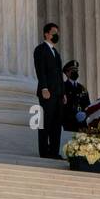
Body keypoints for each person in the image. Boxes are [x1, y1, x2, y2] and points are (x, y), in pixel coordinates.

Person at [34, 22, 65, 158]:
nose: (56, 35)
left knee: (56, 124)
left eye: (57, 33)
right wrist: (44, 88)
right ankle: (44, 151)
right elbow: (41, 71)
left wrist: (63, 93)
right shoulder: (40, 49)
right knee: (45, 123)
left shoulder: (56, 53)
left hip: (58, 94)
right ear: (46, 34)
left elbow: (59, 74)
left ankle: (54, 151)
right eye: (54, 33)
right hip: (47, 93)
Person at [62, 59, 91, 132]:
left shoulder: (82, 88)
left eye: (76, 70)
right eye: (72, 70)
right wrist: (74, 115)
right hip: (69, 123)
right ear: (67, 73)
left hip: (82, 124)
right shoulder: (63, 87)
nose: (75, 72)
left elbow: (87, 105)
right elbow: (62, 106)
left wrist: (85, 114)